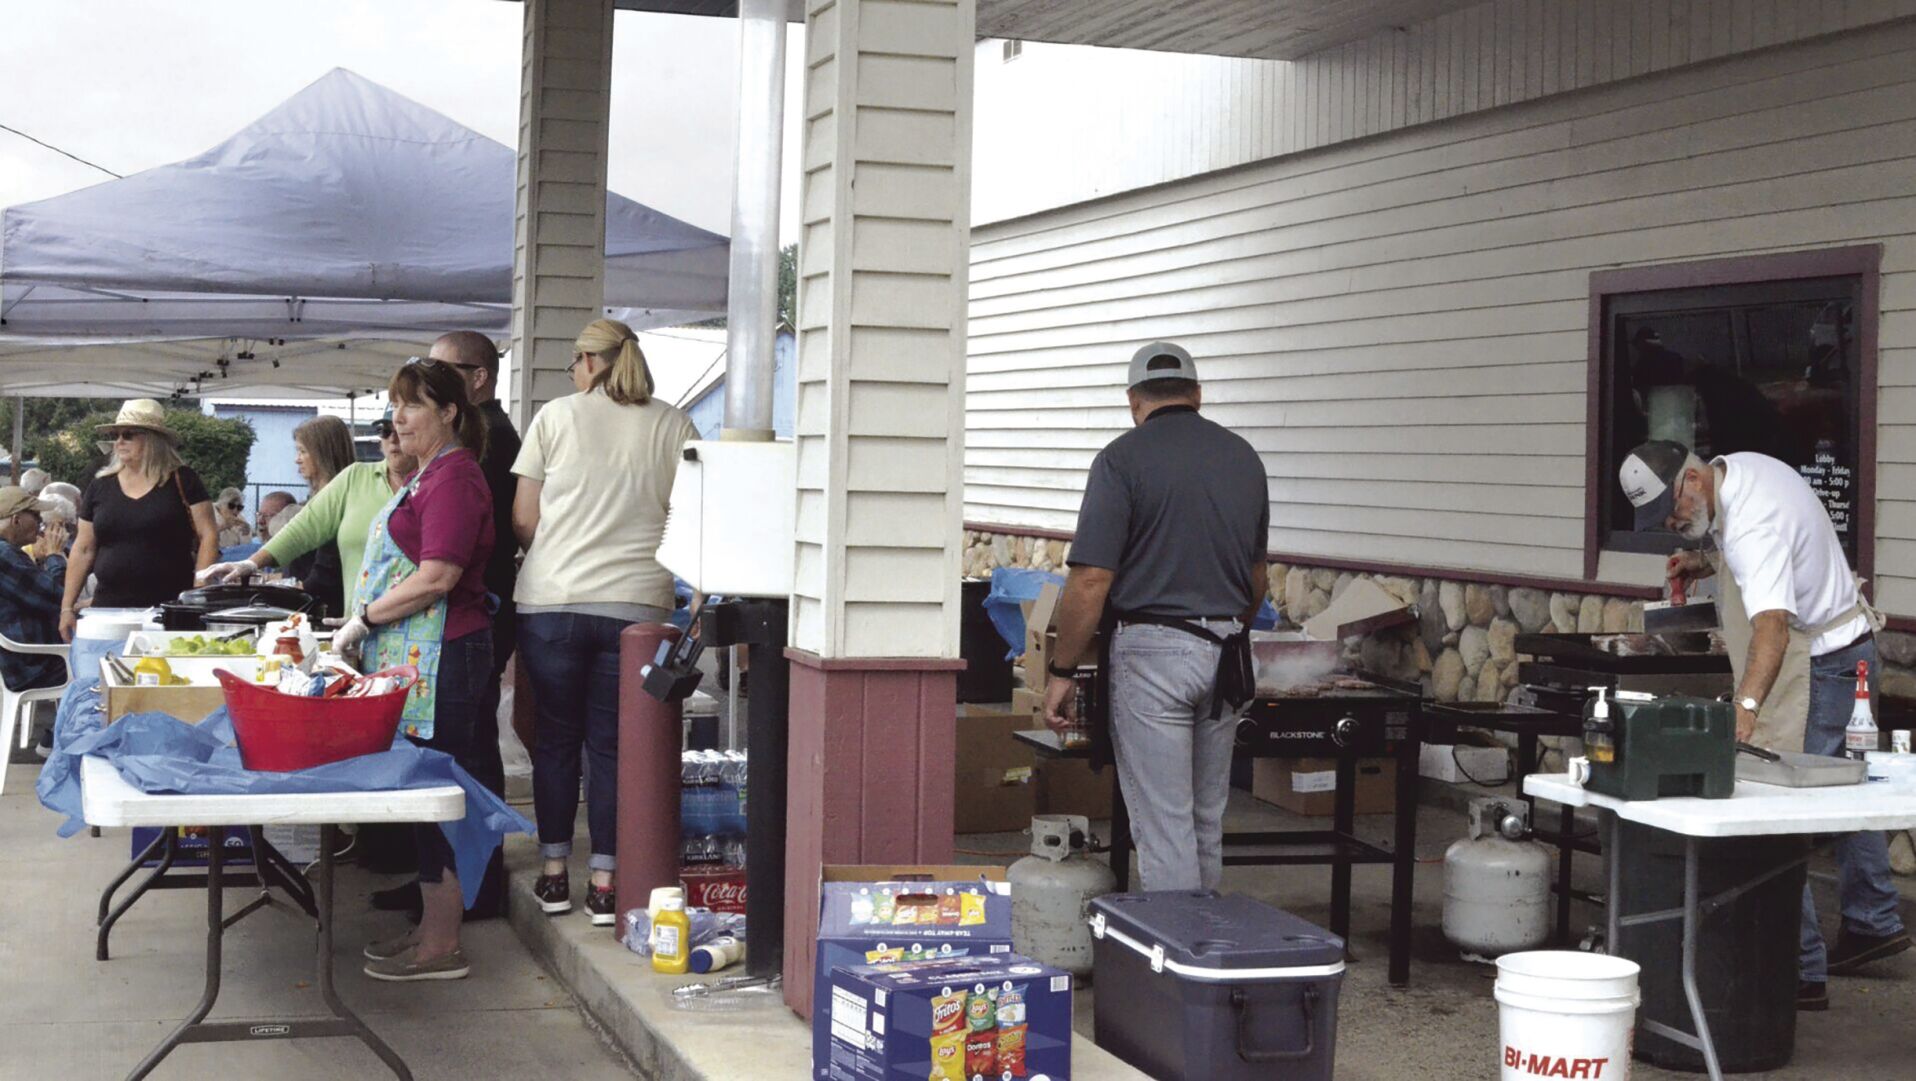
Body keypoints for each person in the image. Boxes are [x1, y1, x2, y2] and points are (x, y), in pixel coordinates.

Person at [1620, 440, 1908, 1012]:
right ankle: (1874, 920)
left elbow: (1773, 627)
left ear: (1692, 481)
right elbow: (1775, 556)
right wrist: (1705, 561)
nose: (1673, 527)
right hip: (1851, 651)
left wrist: (1745, 708)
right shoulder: (1741, 469)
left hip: (1818, 667)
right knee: (1845, 794)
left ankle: (1798, 969)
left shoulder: (1751, 527)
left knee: (1777, 812)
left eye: (1671, 514)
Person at [1041, 342, 1267, 891]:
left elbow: (1091, 580)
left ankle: (1176, 968)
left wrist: (1063, 672)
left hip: (1153, 653)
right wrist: (1229, 630)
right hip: (1228, 654)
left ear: (1133, 401)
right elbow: (1257, 579)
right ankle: (1205, 956)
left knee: (1164, 827)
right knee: (1204, 820)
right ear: (1196, 394)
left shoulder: (1121, 459)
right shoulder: (1244, 457)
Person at [513, 318, 695, 923]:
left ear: (589, 362)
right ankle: (606, 883)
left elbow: (524, 518)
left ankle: (554, 874)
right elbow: (692, 518)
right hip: (638, 605)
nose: (572, 371)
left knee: (557, 742)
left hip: (553, 602)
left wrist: (561, 549)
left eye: (574, 360)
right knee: (612, 748)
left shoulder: (556, 417)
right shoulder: (674, 424)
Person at [333, 360, 493, 982]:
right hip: (418, 658)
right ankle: (431, 929)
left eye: (414, 405)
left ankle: (443, 943)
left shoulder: (454, 479)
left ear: (450, 412)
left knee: (437, 793)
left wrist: (363, 620)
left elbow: (439, 576)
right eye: (395, 404)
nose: (399, 417)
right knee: (423, 795)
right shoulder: (428, 474)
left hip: (445, 657)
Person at [412, 330, 519, 918]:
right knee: (462, 752)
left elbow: (450, 555)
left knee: (467, 757)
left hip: (472, 616)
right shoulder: (476, 442)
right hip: (468, 615)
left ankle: (471, 885)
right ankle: (451, 883)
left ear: (477, 379)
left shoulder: (487, 443)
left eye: (441, 368)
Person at [201, 412, 420, 614]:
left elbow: (323, 576)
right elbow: (302, 530)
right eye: (385, 430)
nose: (394, 438)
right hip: (357, 626)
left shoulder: (438, 482)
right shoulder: (355, 477)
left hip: (417, 624)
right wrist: (250, 563)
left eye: (404, 428)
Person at [59, 401, 218, 639]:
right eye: (116, 435)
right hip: (108, 609)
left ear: (153, 439)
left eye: (129, 435)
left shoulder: (183, 479)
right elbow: (82, 548)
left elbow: (209, 535)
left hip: (170, 607)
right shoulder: (100, 486)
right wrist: (66, 607)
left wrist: (199, 589)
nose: (119, 441)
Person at [280, 416, 356, 616]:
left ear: (323, 453)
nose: (297, 459)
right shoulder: (322, 497)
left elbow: (326, 572)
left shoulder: (338, 501)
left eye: (303, 451)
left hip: (324, 611)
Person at [0, 486, 68, 692]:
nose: (40, 522)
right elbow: (60, 598)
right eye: (36, 515)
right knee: (99, 665)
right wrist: (54, 555)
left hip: (20, 663)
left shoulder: (9, 554)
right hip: (33, 667)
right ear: (16, 520)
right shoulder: (5, 555)